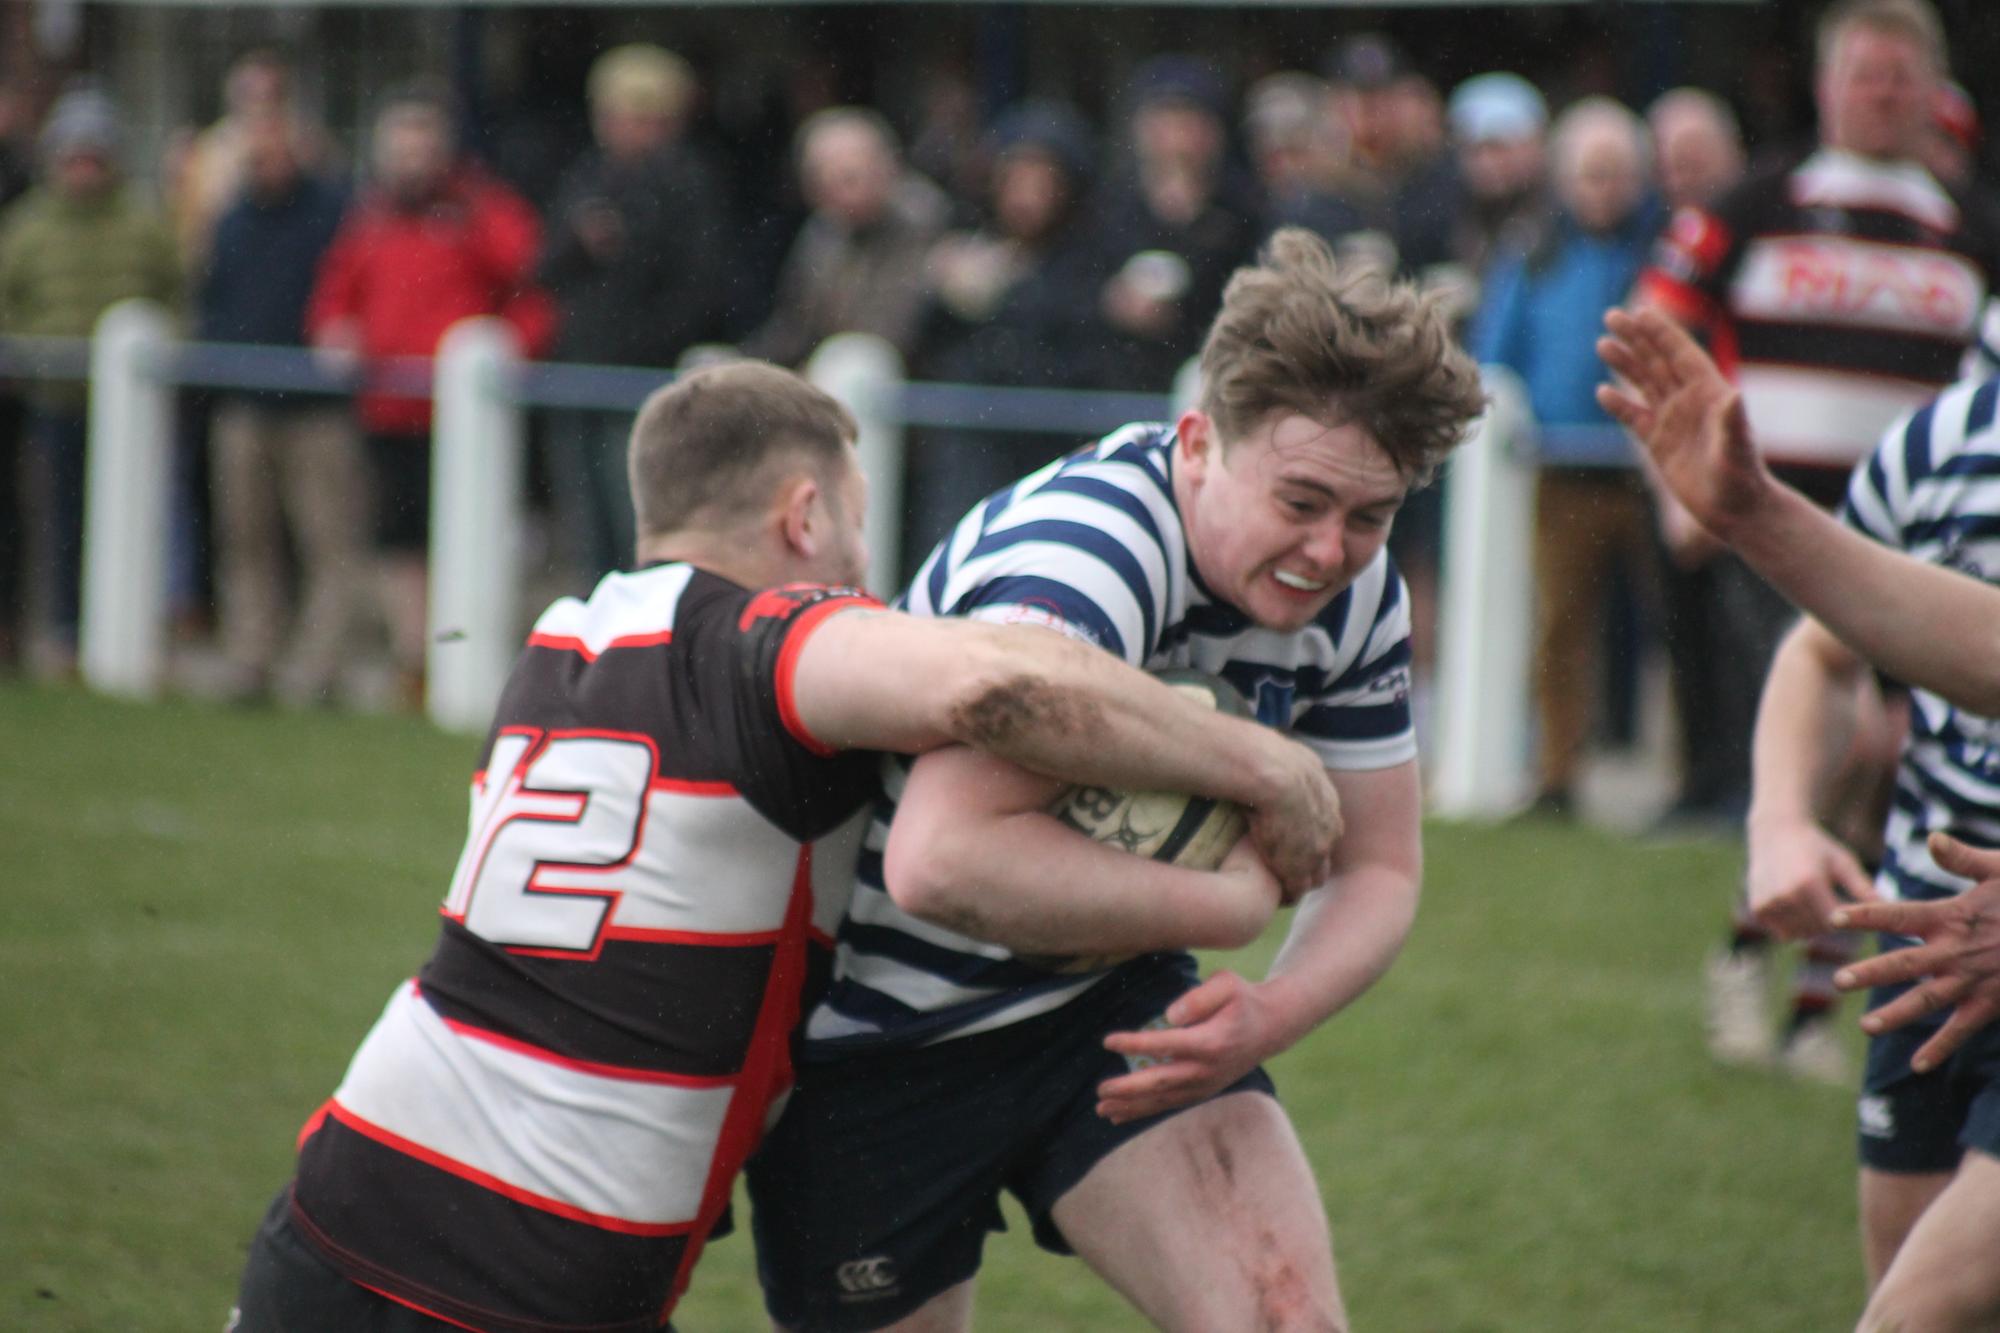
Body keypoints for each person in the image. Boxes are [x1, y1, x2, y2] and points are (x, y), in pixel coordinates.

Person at [228, 359, 1346, 1332]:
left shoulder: (561, 640)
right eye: (858, 530)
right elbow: (1001, 678)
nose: (868, 578)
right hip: (531, 1270)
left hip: (343, 1195)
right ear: (804, 518)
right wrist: (1266, 768)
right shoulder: (764, 644)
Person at [747, 228, 1486, 1332]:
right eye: (1300, 502)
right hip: (876, 1043)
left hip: (1103, 1008)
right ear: (1196, 444)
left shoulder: (1356, 589)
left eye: (1369, 516)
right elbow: (942, 861)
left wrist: (1268, 1013)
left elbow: (1378, 864)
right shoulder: (1087, 553)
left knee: (1286, 1321)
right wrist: (1233, 902)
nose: (1330, 550)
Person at [1599, 300, 2000, 1332]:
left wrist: (1759, 516)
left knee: (1911, 1313)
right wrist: (1776, 818)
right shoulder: (1937, 443)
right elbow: (1822, 652)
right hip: (1927, 942)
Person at [1635, 0, 2000, 1080]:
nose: (1879, 93)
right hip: (1771, 532)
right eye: (1862, 73)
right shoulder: (1757, 201)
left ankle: (1797, 986)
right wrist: (1682, 481)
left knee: (1878, 768)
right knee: (1848, 745)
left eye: (1899, 77)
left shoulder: (1964, 223)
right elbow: (1657, 321)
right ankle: (1768, 970)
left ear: (1928, 91)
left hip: (1918, 544)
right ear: (1825, 85)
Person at [306, 83, 553, 704]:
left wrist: (509, 354)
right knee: (398, 538)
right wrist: (335, 329)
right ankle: (416, 658)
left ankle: (463, 657)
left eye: (422, 150)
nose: (411, 163)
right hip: (388, 410)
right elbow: (337, 293)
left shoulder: (484, 210)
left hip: (465, 420)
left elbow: (535, 290)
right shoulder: (370, 217)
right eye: (400, 151)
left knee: (466, 535)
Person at [1471, 97, 1662, 818]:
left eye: (1616, 174)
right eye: (1590, 175)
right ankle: (1557, 773)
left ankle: (1689, 772)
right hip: (1562, 471)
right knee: (1559, 626)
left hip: (1650, 470)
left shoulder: (1666, 250)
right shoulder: (1536, 255)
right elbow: (1495, 352)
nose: (1603, 189)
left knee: (1672, 627)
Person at [0, 87, 180, 678]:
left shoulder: (143, 224)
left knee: (133, 522)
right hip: (51, 402)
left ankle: (130, 637)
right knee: (54, 523)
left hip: (128, 412)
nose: (83, 169)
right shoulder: (27, 227)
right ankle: (57, 635)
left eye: (93, 156)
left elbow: (173, 297)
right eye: (73, 156)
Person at [537, 44, 728, 590]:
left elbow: (701, 286)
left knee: (639, 526)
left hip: (642, 383)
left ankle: (641, 641)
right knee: (586, 525)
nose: (624, 128)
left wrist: (645, 345)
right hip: (579, 375)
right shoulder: (586, 175)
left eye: (641, 116)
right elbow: (544, 266)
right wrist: (579, 240)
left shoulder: (689, 182)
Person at [196, 107, 365, 706]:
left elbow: (348, 295)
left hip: (316, 407)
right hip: (245, 402)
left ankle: (320, 667)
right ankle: (251, 659)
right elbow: (212, 297)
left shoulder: (335, 216)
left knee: (327, 541)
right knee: (245, 539)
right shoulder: (232, 220)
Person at [1641, 87, 1747, 832]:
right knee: (1689, 638)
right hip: (1678, 468)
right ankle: (1702, 780)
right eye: (1669, 163)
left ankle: (1749, 784)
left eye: (1695, 159)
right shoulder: (1676, 241)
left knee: (1752, 640)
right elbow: (1641, 347)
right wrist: (1673, 492)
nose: (1681, 175)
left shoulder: (1751, 225)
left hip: (1749, 468)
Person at [742, 107, 946, 369]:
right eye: (822, 180)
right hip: (826, 366)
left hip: (907, 382)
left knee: (851, 364)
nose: (835, 192)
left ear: (886, 167)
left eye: (850, 177)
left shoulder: (923, 221)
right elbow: (794, 326)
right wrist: (744, 362)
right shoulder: (823, 231)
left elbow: (890, 332)